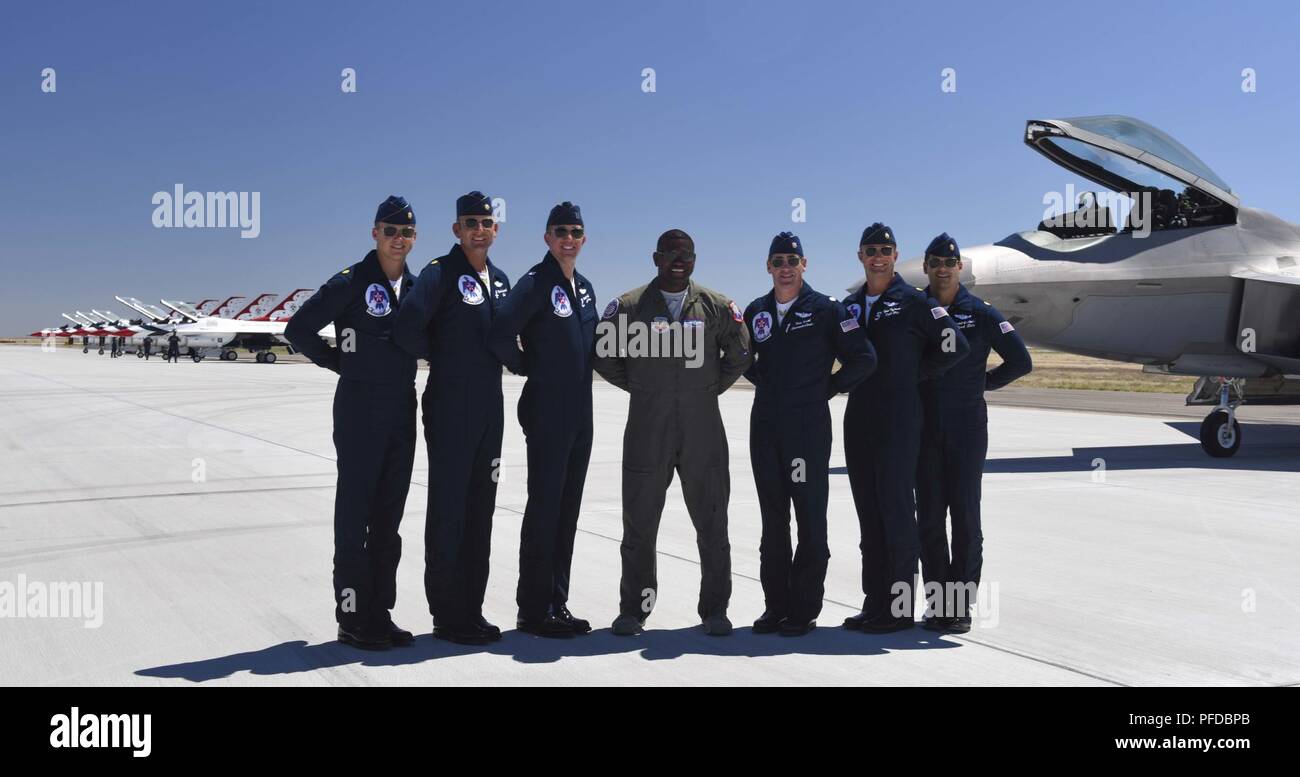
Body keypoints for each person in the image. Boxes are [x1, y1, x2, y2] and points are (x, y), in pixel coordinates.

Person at [594, 228, 751, 637]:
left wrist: (708, 388)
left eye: (687, 254)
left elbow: (741, 353)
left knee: (713, 522)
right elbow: (603, 355)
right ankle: (635, 609)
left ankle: (715, 610)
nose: (679, 260)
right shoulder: (629, 307)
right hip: (648, 427)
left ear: (694, 260)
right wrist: (644, 386)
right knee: (640, 524)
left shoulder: (716, 306)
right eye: (670, 254)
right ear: (656, 258)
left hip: (703, 428)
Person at [284, 195, 419, 650]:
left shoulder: (417, 287)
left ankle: (380, 612)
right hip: (360, 410)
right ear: (374, 233)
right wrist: (340, 362)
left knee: (389, 517)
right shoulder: (352, 281)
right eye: (390, 231)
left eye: (406, 233)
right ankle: (351, 616)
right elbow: (298, 328)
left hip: (402, 409)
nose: (398, 240)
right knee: (355, 515)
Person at [394, 191, 512, 646]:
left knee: (481, 509)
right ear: (456, 229)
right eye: (471, 222)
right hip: (450, 406)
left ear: (496, 229)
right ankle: (446, 612)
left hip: (489, 409)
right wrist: (445, 357)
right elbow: (407, 329)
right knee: (450, 510)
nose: (479, 229)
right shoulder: (439, 274)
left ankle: (472, 608)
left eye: (486, 222)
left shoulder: (499, 280)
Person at [743, 232, 875, 636]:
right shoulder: (757, 310)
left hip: (807, 431)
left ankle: (803, 610)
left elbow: (864, 358)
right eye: (778, 260)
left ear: (804, 266)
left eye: (792, 260)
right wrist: (761, 379)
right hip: (765, 427)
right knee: (772, 521)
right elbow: (741, 356)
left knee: (810, 520)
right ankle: (775, 607)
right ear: (768, 266)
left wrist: (828, 388)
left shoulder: (827, 310)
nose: (785, 267)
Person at [841, 222, 970, 634]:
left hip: (899, 419)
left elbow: (956, 345)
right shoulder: (851, 305)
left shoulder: (914, 302)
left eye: (885, 249)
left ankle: (898, 609)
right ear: (861, 256)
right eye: (870, 249)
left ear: (895, 256)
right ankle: (874, 602)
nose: (878, 256)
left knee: (896, 513)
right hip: (859, 417)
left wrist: (914, 375)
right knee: (868, 514)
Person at [488, 202, 597, 638]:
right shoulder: (534, 283)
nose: (568, 238)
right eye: (560, 231)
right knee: (545, 509)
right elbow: (498, 333)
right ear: (548, 238)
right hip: (548, 413)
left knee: (567, 511)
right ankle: (533, 609)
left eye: (575, 231)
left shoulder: (585, 287)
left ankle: (558, 602)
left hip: (581, 415)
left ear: (583, 239)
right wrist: (525, 364)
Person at [916, 233, 1031, 633]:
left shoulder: (980, 313)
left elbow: (1020, 360)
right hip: (925, 429)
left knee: (965, 518)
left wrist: (986, 383)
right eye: (935, 262)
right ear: (927, 267)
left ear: (959, 267)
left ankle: (959, 606)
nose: (943, 268)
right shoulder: (918, 308)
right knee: (929, 519)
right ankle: (937, 604)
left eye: (950, 262)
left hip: (966, 429)